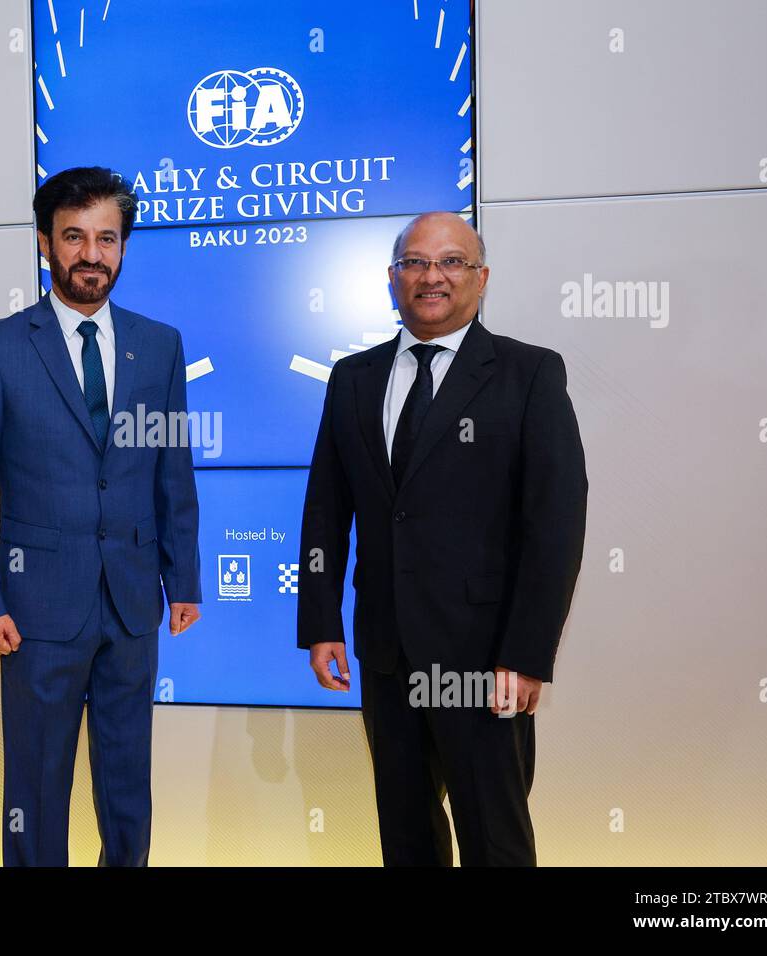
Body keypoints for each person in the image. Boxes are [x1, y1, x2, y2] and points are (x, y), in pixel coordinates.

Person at [296, 211, 587, 865]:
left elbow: (556, 524)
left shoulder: (529, 374)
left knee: (494, 836)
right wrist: (321, 623)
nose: (432, 276)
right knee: (406, 836)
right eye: (416, 263)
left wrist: (528, 653)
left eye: (452, 261)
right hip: (386, 648)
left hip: (485, 660)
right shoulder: (353, 377)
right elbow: (326, 508)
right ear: (393, 279)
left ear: (481, 278)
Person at [0, 166, 202, 866]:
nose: (92, 254)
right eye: (75, 237)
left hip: (131, 602)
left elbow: (171, 470)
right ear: (45, 244)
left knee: (128, 783)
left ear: (123, 247)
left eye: (107, 238)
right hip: (33, 611)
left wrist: (183, 581)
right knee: (36, 782)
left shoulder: (160, 345)